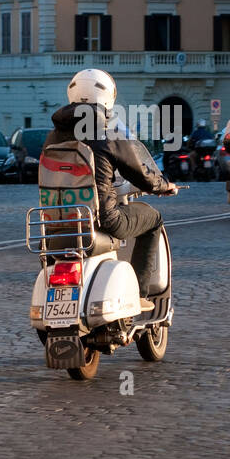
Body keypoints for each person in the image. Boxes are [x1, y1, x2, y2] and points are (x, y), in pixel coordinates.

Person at [45, 69, 177, 297]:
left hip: (57, 221)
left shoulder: (52, 138)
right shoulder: (107, 134)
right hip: (103, 220)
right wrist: (164, 186)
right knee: (154, 219)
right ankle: (139, 293)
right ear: (108, 98)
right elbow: (141, 175)